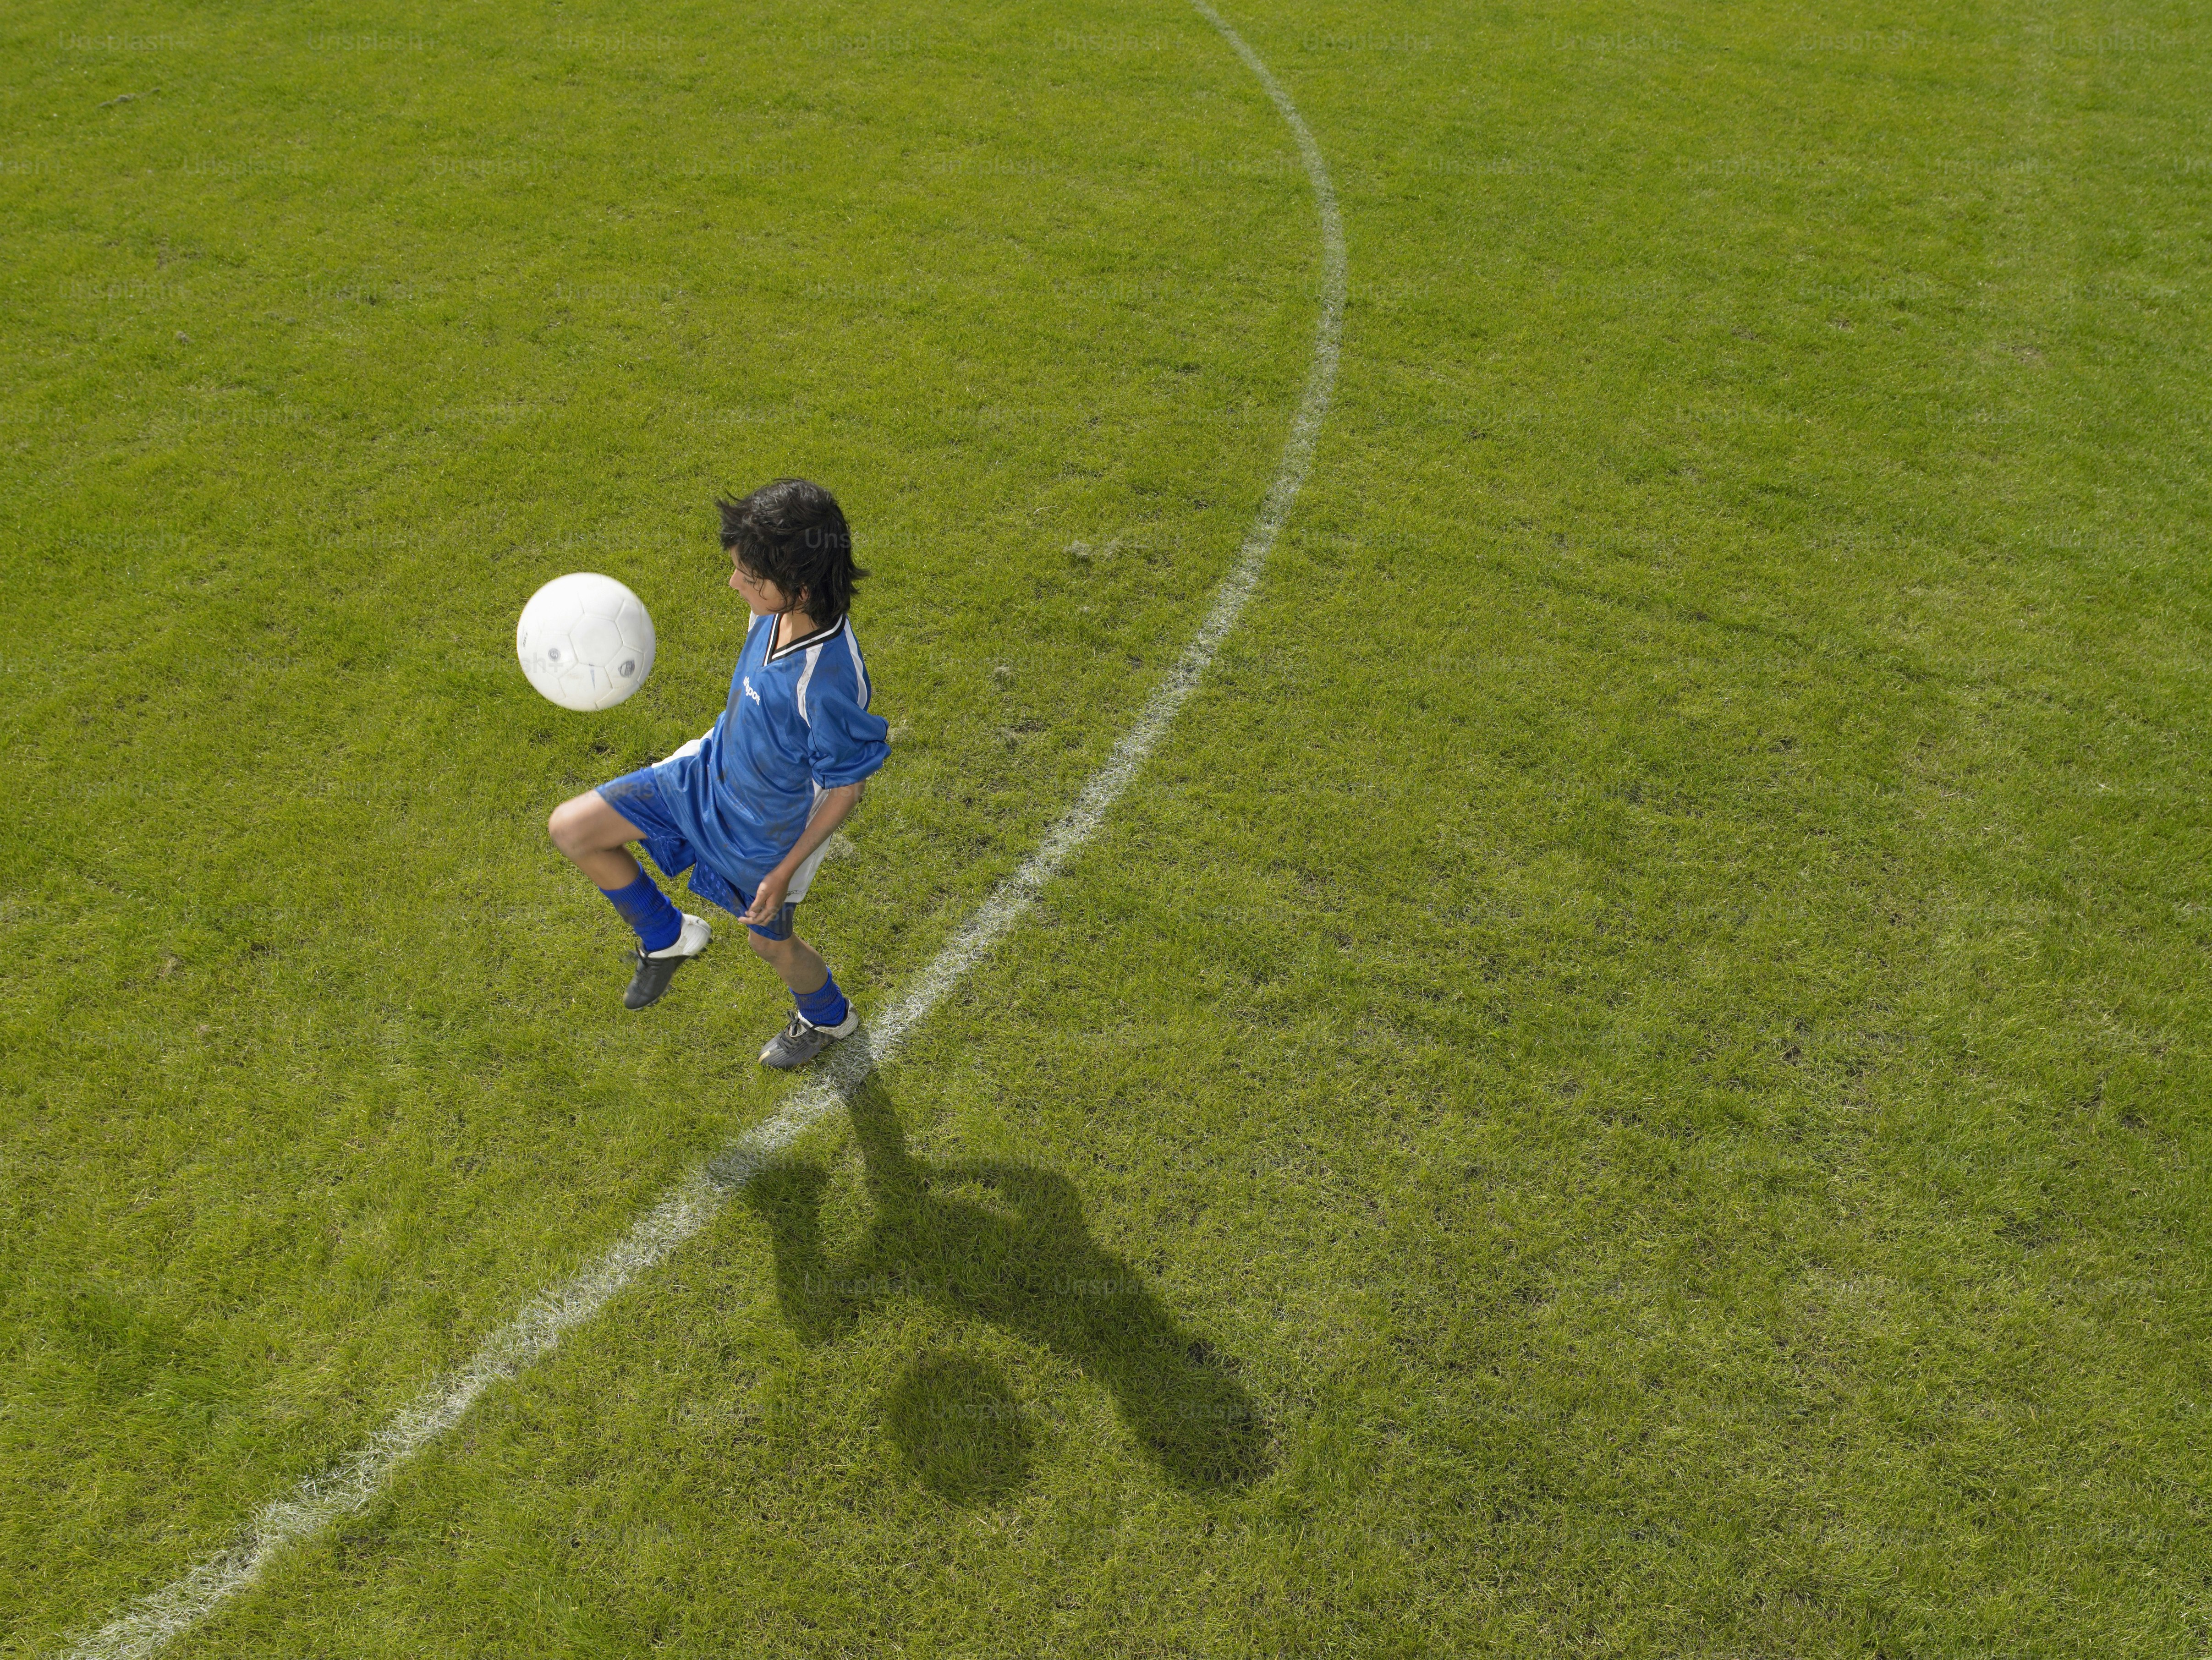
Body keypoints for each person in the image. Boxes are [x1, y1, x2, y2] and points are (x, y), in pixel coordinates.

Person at [547, 478, 889, 1069]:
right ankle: (668, 936)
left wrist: (783, 873)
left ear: (800, 587)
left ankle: (830, 1017)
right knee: (573, 828)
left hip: (767, 833)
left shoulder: (827, 683)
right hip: (704, 773)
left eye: (749, 578)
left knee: (770, 942)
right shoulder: (778, 611)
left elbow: (845, 789)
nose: (734, 584)